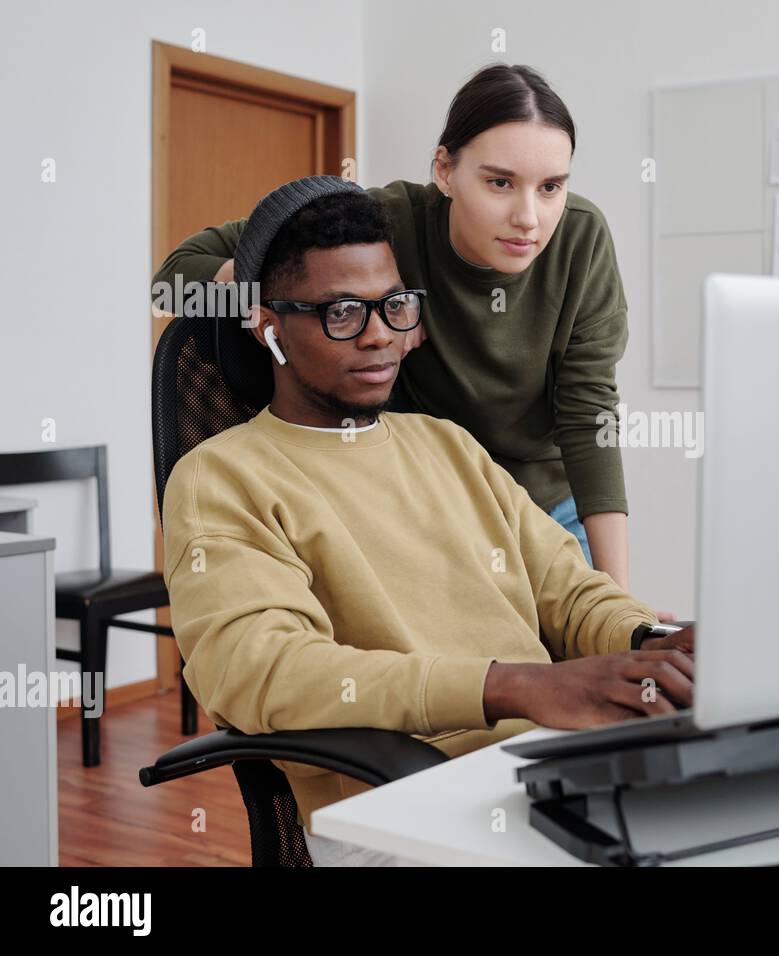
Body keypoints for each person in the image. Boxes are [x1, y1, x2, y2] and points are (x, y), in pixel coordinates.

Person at [161, 176, 694, 865]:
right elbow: (263, 672)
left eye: (395, 306)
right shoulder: (221, 478)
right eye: (344, 312)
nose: (383, 336)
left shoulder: (445, 443)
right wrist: (517, 685)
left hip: (547, 762)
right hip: (394, 808)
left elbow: (567, 588)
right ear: (269, 326)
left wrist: (654, 642)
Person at [154, 63, 664, 608]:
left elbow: (588, 413)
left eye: (551, 187)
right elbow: (172, 285)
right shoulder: (388, 223)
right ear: (445, 170)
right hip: (430, 502)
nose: (528, 218)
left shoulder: (580, 239)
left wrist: (619, 597)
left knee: (592, 655)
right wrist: (379, 300)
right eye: (499, 182)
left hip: (544, 505)